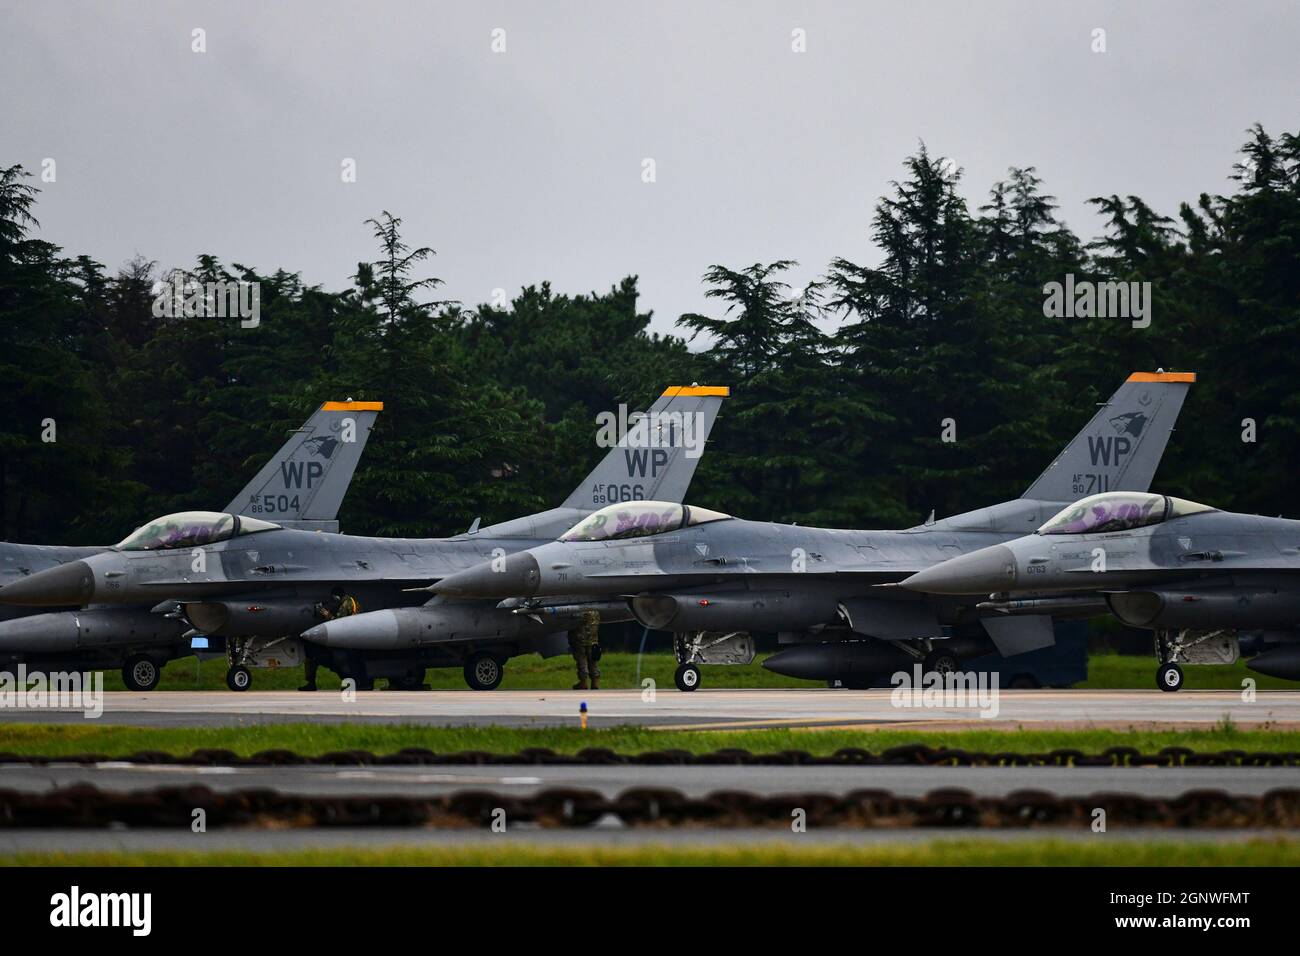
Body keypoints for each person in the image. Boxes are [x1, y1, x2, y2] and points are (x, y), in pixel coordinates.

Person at [300, 588, 359, 691]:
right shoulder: (349, 601)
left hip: (346, 638)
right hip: (345, 637)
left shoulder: (347, 603)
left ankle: (350, 685)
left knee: (341, 661)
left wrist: (327, 615)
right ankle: (311, 683)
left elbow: (339, 622)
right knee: (316, 659)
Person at [568, 609, 601, 690]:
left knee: (581, 660)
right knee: (593, 660)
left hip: (579, 640)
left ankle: (583, 682)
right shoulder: (595, 612)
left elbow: (571, 626)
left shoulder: (578, 611)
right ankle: (595, 682)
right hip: (593, 641)